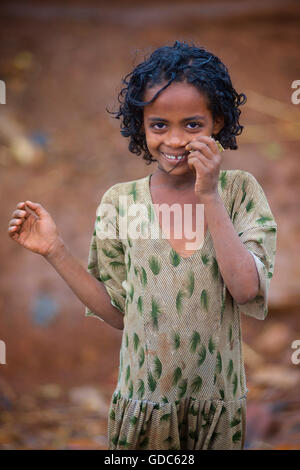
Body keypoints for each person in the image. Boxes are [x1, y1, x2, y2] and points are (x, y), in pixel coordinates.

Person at [8, 41, 277, 450]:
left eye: (192, 125)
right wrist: (55, 251)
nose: (174, 140)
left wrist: (210, 196)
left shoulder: (239, 193)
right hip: (145, 405)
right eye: (158, 125)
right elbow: (119, 314)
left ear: (218, 122)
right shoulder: (121, 202)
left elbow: (244, 290)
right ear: (141, 124)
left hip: (216, 408)